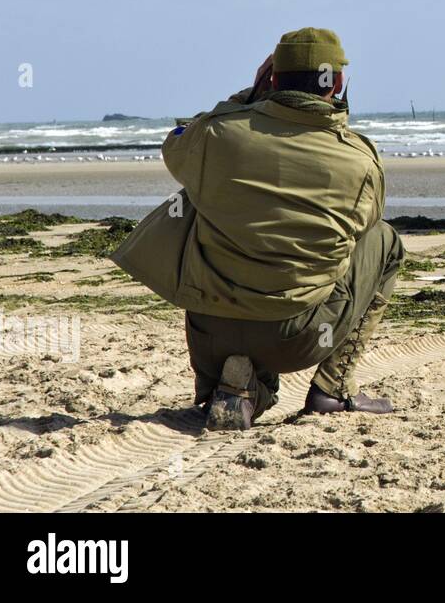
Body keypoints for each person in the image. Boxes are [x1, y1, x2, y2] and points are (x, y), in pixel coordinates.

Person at [110, 27, 404, 430]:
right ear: (336, 83)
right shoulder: (359, 160)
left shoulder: (216, 136)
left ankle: (239, 386)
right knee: (384, 241)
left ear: (271, 78)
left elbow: (175, 141)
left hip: (211, 330)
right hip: (298, 338)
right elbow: (362, 227)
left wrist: (245, 99)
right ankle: (332, 389)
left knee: (199, 198)